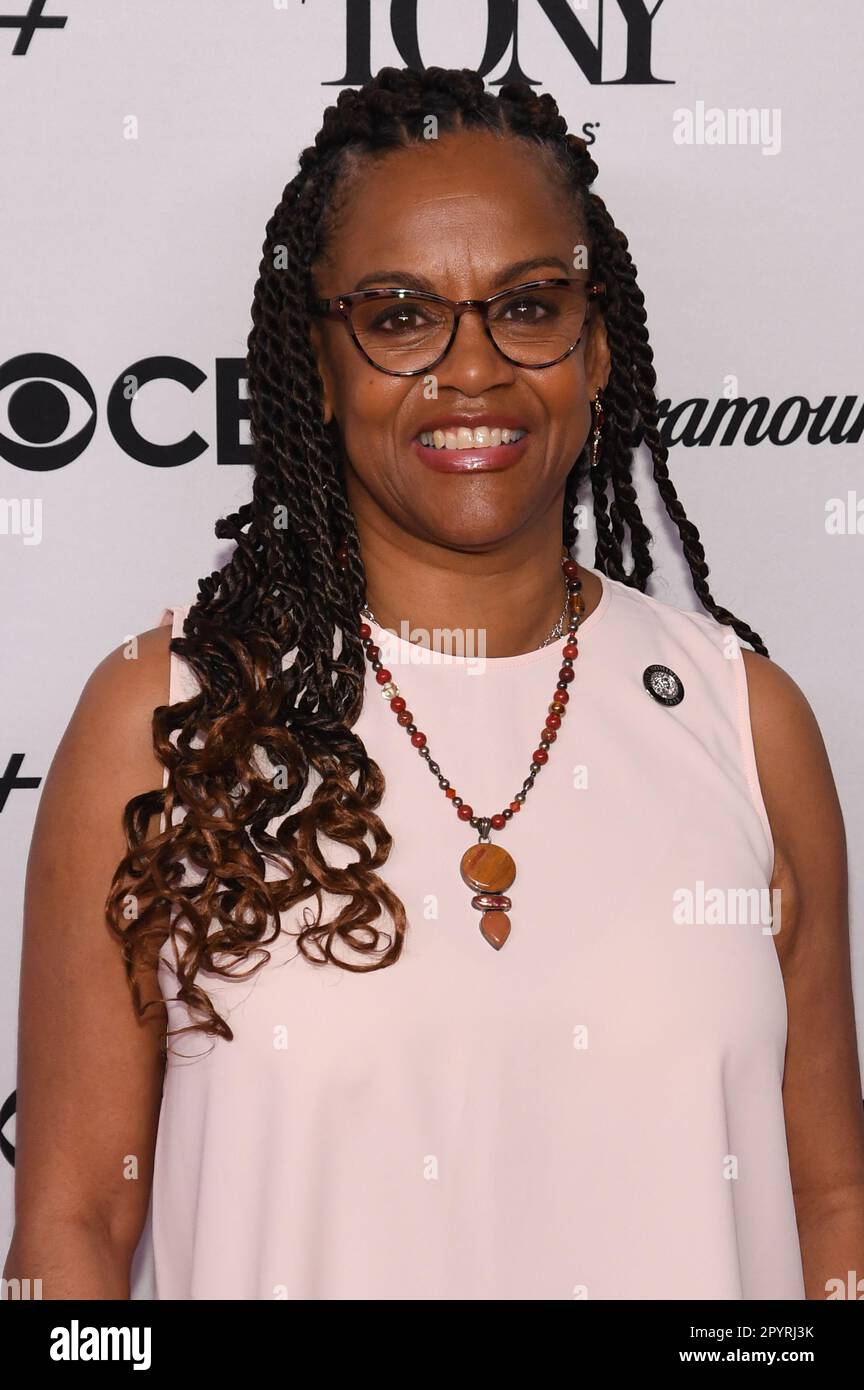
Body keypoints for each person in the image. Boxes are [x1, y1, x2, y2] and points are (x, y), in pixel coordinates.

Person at [5, 66, 864, 1302]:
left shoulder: (746, 719)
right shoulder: (168, 722)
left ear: (597, 346)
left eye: (529, 306)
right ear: (316, 362)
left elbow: (829, 1201)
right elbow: (73, 1230)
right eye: (401, 316)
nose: (473, 370)